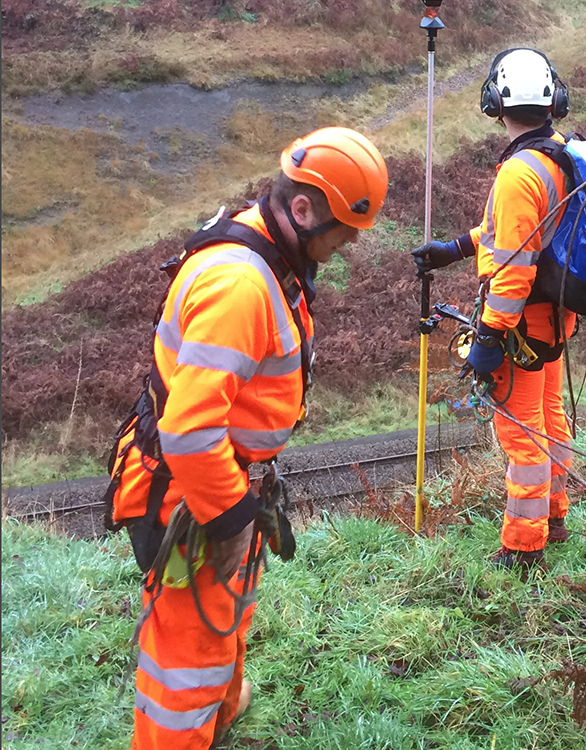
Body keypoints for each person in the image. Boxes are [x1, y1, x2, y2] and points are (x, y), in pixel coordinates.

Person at [106, 127, 388, 749]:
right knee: (185, 657)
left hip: (225, 478)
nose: (344, 247)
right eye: (342, 231)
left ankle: (223, 713)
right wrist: (231, 519)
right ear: (303, 209)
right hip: (191, 491)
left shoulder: (268, 249)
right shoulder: (240, 286)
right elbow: (189, 429)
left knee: (226, 615)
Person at [411, 48, 575, 571]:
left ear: (494, 101)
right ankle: (553, 514)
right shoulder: (558, 154)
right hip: (553, 317)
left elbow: (513, 269)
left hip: (521, 327)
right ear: (553, 100)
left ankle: (524, 546)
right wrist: (458, 246)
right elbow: (519, 237)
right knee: (549, 416)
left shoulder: (517, 174)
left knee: (521, 434)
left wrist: (487, 338)